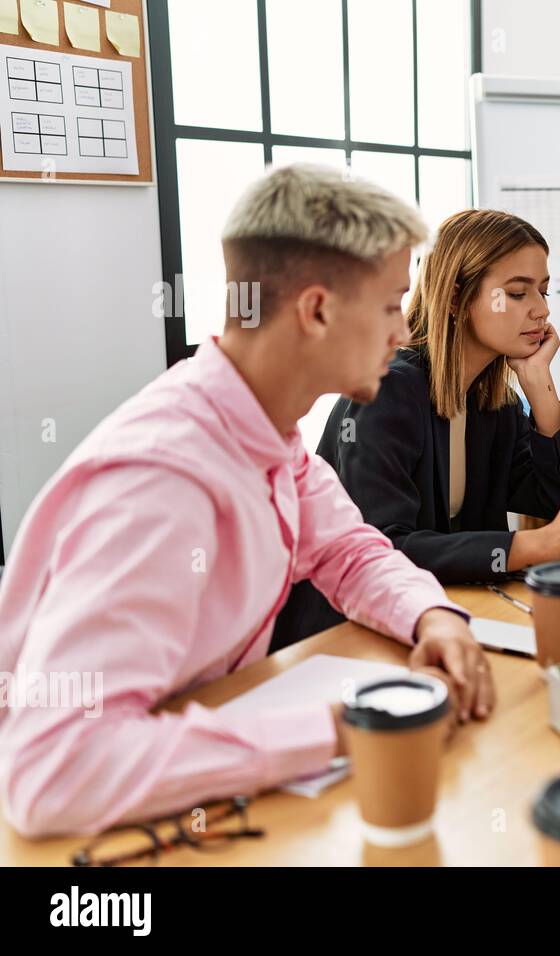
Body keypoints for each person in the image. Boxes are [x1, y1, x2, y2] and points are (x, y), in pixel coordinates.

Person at [0, 165, 495, 838]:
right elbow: (53, 774)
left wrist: (432, 616)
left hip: (180, 777)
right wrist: (340, 730)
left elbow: (348, 551)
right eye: (389, 305)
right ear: (316, 310)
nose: (402, 335)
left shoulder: (269, 428)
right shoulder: (163, 476)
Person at [273, 209, 560, 646]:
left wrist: (540, 388)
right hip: (346, 632)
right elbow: (385, 549)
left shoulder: (496, 403)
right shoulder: (385, 393)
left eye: (543, 291)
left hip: (444, 612)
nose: (542, 310)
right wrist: (534, 547)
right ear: (455, 297)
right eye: (517, 293)